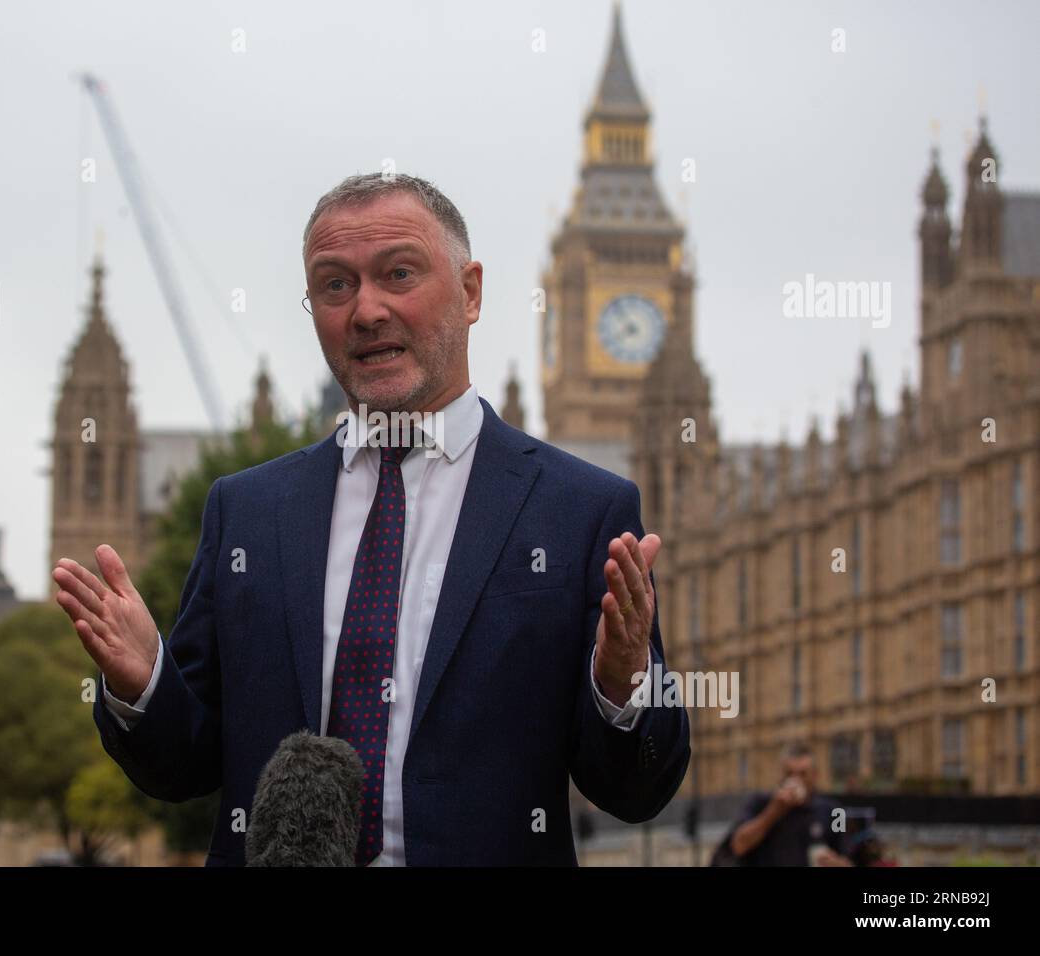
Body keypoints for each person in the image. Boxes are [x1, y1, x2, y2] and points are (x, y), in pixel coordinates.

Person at [53, 173, 690, 866]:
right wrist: (145, 683)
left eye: (399, 273)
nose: (366, 310)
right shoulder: (245, 512)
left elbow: (635, 792)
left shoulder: (581, 511)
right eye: (335, 285)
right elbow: (183, 767)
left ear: (470, 292)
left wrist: (624, 684)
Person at [728, 742, 850, 866]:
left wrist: (837, 863)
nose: (796, 780)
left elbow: (847, 857)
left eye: (803, 774)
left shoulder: (833, 810)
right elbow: (738, 845)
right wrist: (774, 810)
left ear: (815, 775)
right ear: (779, 775)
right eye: (789, 774)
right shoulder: (760, 803)